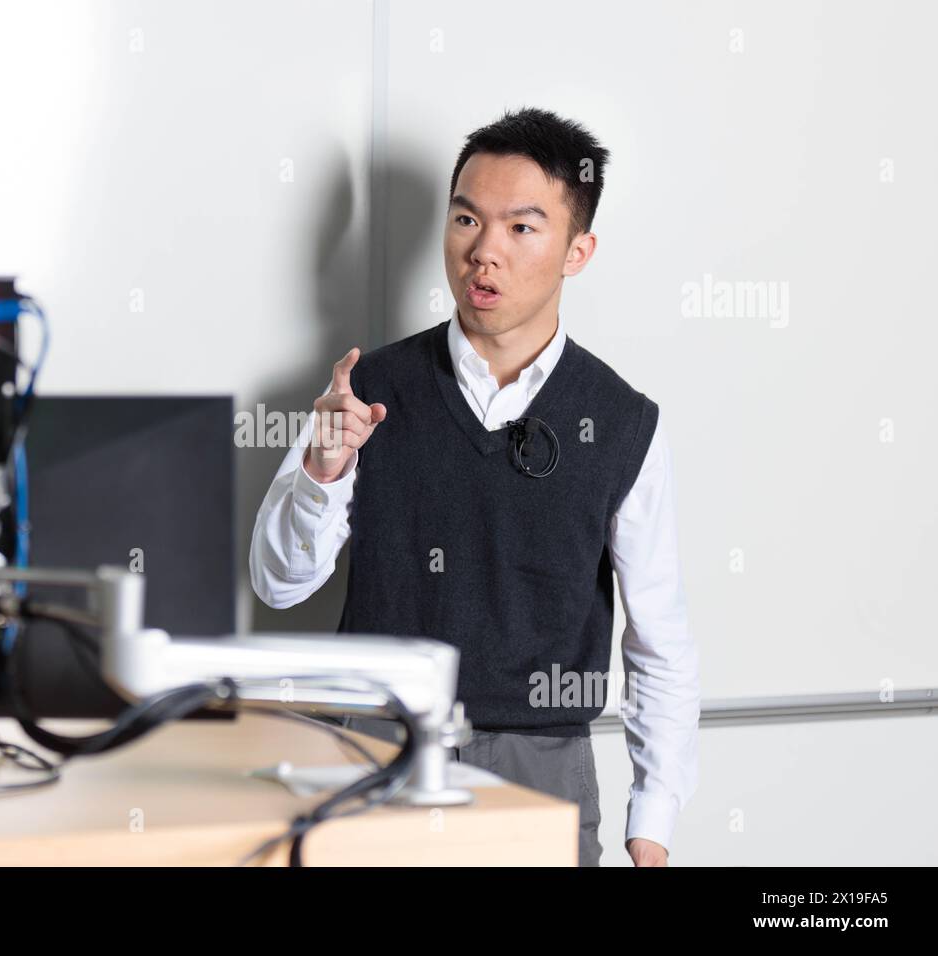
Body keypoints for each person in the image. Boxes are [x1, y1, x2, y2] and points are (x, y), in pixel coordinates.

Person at [250, 107, 700, 867]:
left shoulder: (623, 423)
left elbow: (659, 636)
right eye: (466, 219)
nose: (483, 252)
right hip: (376, 755)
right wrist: (323, 472)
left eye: (522, 228)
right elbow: (277, 584)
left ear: (577, 251)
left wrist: (651, 821)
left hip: (541, 769)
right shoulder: (364, 391)